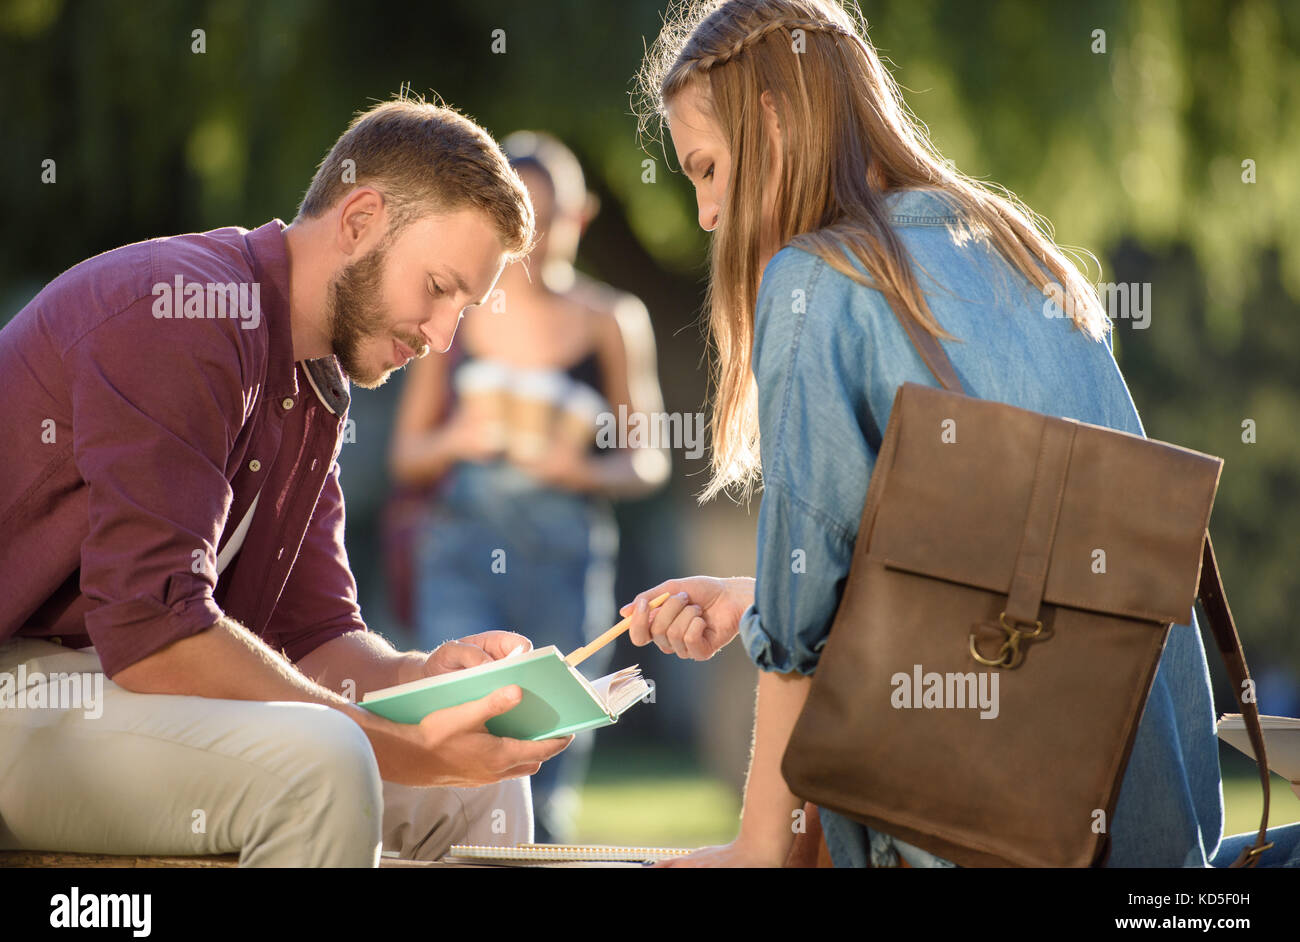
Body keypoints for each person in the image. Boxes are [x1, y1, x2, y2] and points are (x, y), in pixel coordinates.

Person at [621, 0, 1300, 867]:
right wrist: (757, 590)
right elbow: (1018, 567)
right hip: (1150, 832)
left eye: (707, 169)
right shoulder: (1016, 248)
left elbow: (801, 636)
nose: (708, 213)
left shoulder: (814, 279)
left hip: (981, 832)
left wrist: (758, 848)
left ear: (771, 119)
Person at [0, 95, 576, 866]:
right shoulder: (184, 311)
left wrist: (422, 677)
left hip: (117, 686)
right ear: (361, 218)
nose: (443, 337)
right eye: (439, 288)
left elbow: (314, 637)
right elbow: (152, 633)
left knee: (481, 784)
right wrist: (401, 746)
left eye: (463, 308)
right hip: (26, 683)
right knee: (326, 760)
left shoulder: (311, 383)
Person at [389, 131, 671, 842]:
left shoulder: (612, 318)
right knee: (456, 749)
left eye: (555, 219)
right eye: (525, 220)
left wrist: (582, 469)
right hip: (461, 551)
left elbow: (650, 458)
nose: (539, 239)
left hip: (565, 560)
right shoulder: (462, 309)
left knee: (547, 767)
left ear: (583, 216)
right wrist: (461, 438)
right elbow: (408, 453)